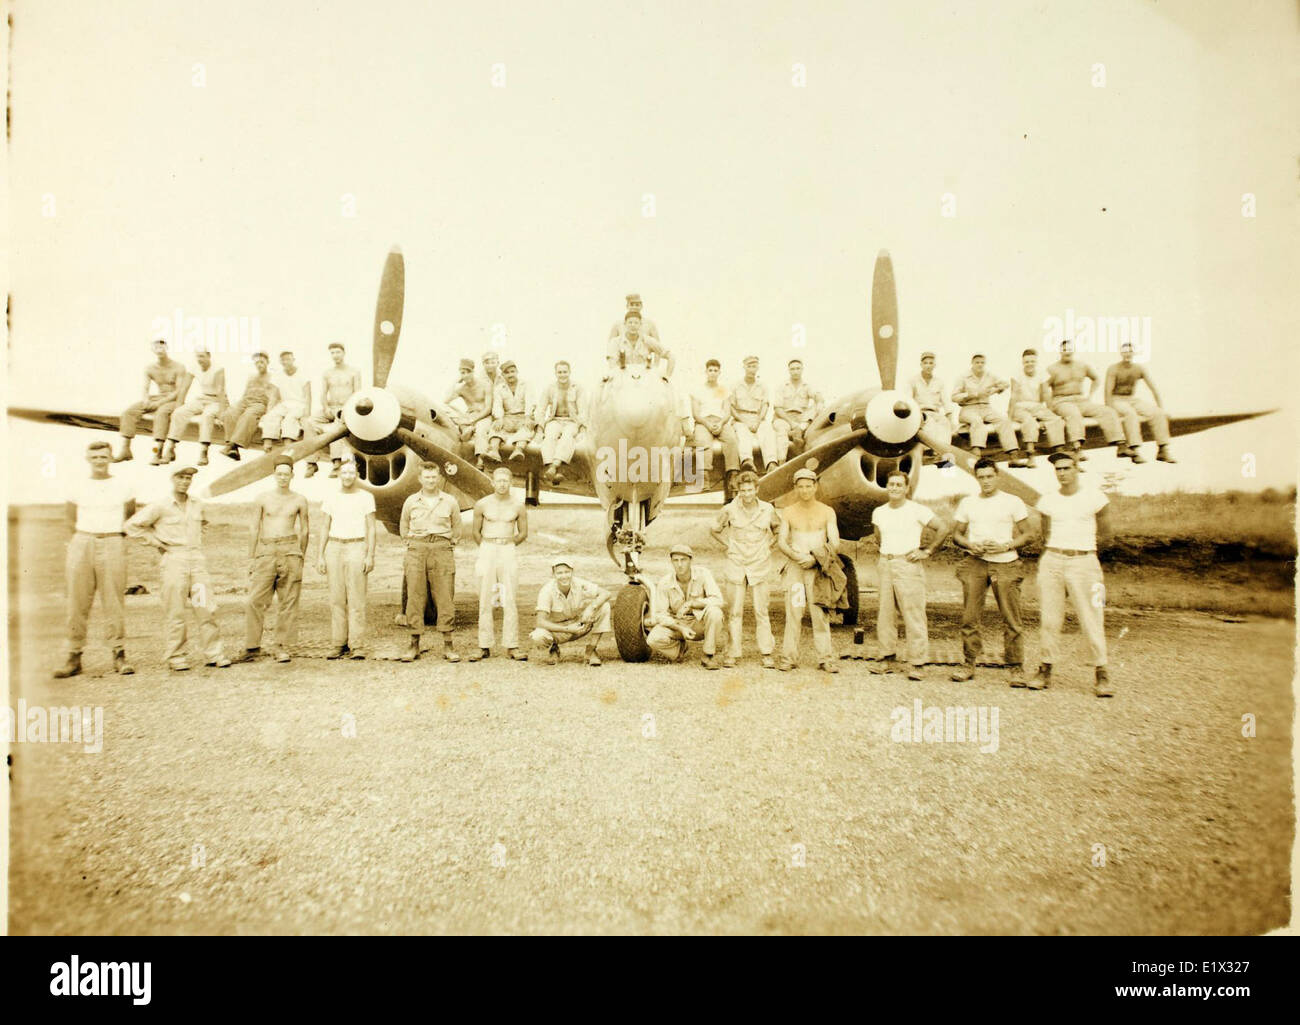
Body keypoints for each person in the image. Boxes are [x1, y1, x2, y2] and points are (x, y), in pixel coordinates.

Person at [126, 466, 231, 670]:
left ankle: (214, 653)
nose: (185, 481)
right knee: (175, 610)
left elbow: (202, 526)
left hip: (196, 561)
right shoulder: (161, 505)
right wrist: (157, 543)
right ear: (172, 479)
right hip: (174, 560)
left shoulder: (197, 504)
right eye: (181, 477)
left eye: (188, 478)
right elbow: (132, 526)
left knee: (205, 608)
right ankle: (176, 656)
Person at [52, 440, 138, 678]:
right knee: (77, 602)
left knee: (113, 600)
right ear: (88, 459)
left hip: (113, 540)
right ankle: (73, 655)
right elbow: (70, 518)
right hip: (82, 541)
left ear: (111, 458)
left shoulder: (124, 485)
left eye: (104, 457)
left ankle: (118, 654)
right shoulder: (76, 484)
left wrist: (115, 535)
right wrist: (80, 541)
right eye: (95, 457)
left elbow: (130, 514)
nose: (99, 461)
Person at [1030, 451, 1113, 697]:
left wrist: (1086, 555)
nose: (1063, 473)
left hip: (1084, 560)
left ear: (1077, 468)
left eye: (1067, 468)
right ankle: (1045, 668)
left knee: (1091, 617)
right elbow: (1045, 533)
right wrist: (1056, 553)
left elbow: (1107, 535)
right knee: (1049, 619)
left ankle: (1102, 673)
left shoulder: (1095, 497)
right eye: (1059, 469)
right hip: (1053, 560)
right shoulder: (1048, 501)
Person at [950, 459, 1034, 685]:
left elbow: (1028, 533)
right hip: (976, 562)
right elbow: (956, 535)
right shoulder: (968, 503)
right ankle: (969, 663)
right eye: (981, 477)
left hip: (1005, 562)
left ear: (998, 476)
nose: (986, 481)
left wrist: (1007, 545)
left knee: (1011, 617)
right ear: (976, 478)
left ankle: (1016, 667)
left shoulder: (1012, 501)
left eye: (989, 476)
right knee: (969, 617)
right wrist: (970, 545)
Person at [869, 470, 946, 681]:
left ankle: (918, 663)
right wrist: (887, 555)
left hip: (908, 564)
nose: (894, 488)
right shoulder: (879, 512)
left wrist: (927, 551)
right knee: (885, 614)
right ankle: (887, 657)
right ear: (887, 487)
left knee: (913, 614)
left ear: (906, 488)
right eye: (891, 484)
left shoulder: (917, 510)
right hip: (885, 562)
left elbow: (942, 528)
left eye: (898, 485)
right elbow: (878, 537)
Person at [710, 469, 780, 669]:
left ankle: (767, 653)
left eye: (750, 490)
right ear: (737, 491)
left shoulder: (767, 510)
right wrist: (727, 546)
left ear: (757, 489)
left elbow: (778, 528)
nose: (747, 494)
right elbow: (714, 529)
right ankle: (732, 653)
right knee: (734, 612)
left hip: (759, 565)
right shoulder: (729, 510)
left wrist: (769, 545)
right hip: (736, 564)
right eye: (743, 490)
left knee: (761, 611)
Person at [243, 455, 309, 663]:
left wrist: (301, 555)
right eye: (279, 474)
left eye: (286, 474)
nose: (282, 478)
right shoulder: (262, 498)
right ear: (274, 475)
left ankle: (281, 646)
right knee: (254, 600)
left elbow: (305, 530)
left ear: (292, 475)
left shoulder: (299, 499)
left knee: (288, 601)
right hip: (267, 550)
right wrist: (251, 557)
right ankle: (252, 646)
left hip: (290, 550)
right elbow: (254, 527)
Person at [775, 467, 841, 672]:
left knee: (819, 615)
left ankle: (826, 658)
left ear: (815, 486)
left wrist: (814, 558)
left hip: (817, 570)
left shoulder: (827, 511)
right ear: (795, 488)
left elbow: (835, 542)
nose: (805, 490)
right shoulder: (789, 511)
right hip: (795, 570)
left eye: (808, 486)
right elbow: (782, 542)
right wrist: (798, 557)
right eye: (801, 486)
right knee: (794, 613)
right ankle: (789, 657)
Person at [398, 462, 461, 663]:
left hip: (442, 549)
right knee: (415, 596)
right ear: (420, 479)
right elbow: (403, 526)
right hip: (417, 549)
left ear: (439, 478)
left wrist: (445, 543)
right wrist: (413, 542)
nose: (431, 480)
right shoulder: (411, 501)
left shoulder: (450, 501)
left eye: (434, 477)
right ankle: (414, 644)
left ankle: (448, 645)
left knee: (445, 597)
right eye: (427, 477)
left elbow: (457, 529)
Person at [318, 461, 376, 659]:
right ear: (339, 474)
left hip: (356, 546)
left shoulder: (366, 497)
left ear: (357, 474)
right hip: (334, 547)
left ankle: (357, 645)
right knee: (336, 598)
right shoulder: (331, 497)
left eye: (351, 472)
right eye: (344, 472)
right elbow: (325, 526)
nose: (348, 476)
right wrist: (320, 554)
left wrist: (370, 554)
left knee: (357, 599)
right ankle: (338, 643)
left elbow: (371, 528)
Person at [471, 466, 529, 662]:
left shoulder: (518, 505)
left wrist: (508, 544)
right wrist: (488, 545)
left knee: (509, 597)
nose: (502, 484)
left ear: (510, 482)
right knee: (486, 597)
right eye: (499, 480)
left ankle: (512, 645)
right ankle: (484, 646)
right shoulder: (482, 504)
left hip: (507, 550)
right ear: (493, 482)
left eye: (506, 481)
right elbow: (476, 532)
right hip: (487, 548)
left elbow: (522, 533)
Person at [1046, 339, 1133, 462]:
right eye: (1064, 349)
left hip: (1081, 400)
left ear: (1074, 350)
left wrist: (1089, 394)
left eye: (1070, 349)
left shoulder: (1082, 366)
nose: (1067, 352)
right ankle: (1077, 449)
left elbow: (1096, 379)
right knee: (1073, 413)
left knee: (1107, 411)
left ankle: (1121, 445)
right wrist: (1049, 408)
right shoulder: (1052, 369)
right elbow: (1044, 387)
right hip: (1062, 401)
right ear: (1060, 351)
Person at [647, 544, 726, 669]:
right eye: (675, 560)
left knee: (715, 613)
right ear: (671, 562)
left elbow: (718, 600)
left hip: (699, 622)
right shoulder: (665, 582)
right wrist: (680, 628)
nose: (679, 564)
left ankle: (708, 655)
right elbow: (660, 614)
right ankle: (679, 650)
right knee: (653, 639)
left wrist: (693, 603)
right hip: (678, 624)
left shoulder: (703, 574)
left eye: (683, 560)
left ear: (691, 560)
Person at [530, 558, 611, 666]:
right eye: (559, 573)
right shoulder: (547, 591)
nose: (564, 576)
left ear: (572, 572)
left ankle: (591, 650)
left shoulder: (579, 583)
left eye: (567, 572)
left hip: (579, 624)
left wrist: (591, 607)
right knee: (538, 636)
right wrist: (567, 629)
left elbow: (606, 593)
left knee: (604, 606)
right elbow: (540, 622)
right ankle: (553, 648)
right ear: (553, 574)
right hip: (558, 630)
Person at [115, 339, 186, 463]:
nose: (159, 350)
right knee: (129, 412)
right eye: (156, 347)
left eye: (162, 347)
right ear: (152, 350)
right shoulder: (150, 368)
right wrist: (146, 400)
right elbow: (145, 387)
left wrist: (159, 403)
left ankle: (157, 452)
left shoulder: (178, 367)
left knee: (161, 413)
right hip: (158, 397)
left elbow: (179, 391)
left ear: (167, 348)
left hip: (174, 400)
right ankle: (125, 449)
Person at [1105, 342, 1175, 463]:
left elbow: (1153, 388)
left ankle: (1163, 449)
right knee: (1130, 414)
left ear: (1133, 353)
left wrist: (1161, 407)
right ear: (1121, 353)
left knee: (1157, 413)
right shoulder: (1113, 368)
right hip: (1117, 399)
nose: (1127, 354)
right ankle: (1134, 450)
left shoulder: (1139, 368)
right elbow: (1107, 392)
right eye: (1125, 351)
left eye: (1130, 351)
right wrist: (1110, 410)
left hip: (1131, 399)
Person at [952, 354, 1027, 465]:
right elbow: (954, 397)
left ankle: (1013, 456)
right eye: (977, 362)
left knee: (1003, 420)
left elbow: (1005, 384)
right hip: (968, 408)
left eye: (982, 362)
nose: (980, 365)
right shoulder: (963, 377)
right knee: (977, 421)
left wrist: (995, 390)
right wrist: (973, 394)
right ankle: (976, 454)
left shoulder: (989, 375)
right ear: (972, 363)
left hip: (986, 407)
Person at [160, 348, 227, 466]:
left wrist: (222, 411)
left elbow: (220, 390)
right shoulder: (194, 367)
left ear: (208, 356)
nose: (199, 359)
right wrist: (179, 405)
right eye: (197, 356)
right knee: (178, 413)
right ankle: (170, 449)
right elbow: (185, 387)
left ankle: (203, 452)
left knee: (207, 416)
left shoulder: (218, 369)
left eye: (202, 356)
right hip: (202, 398)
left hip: (217, 400)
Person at [307, 343, 362, 478]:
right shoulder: (327, 373)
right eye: (332, 353)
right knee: (309, 422)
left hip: (347, 409)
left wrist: (346, 409)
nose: (335, 355)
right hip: (331, 407)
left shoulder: (354, 372)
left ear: (343, 353)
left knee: (335, 428)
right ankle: (311, 462)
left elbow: (357, 394)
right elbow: (323, 393)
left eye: (337, 352)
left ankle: (336, 463)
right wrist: (325, 407)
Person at [1008, 348, 1066, 463]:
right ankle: (1030, 454)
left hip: (1036, 406)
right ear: (1023, 363)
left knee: (1055, 420)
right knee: (1029, 422)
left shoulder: (1041, 374)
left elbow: (1045, 393)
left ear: (1036, 362)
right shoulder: (1017, 374)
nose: (1029, 364)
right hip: (1020, 407)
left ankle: (1059, 450)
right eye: (1026, 362)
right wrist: (1009, 417)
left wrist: (1050, 412)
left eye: (1032, 361)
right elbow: (1013, 395)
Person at [691, 359, 740, 487]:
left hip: (720, 422)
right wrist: (707, 424)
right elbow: (696, 413)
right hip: (703, 422)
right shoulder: (698, 390)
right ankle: (704, 477)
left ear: (719, 372)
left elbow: (727, 412)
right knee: (702, 442)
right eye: (710, 370)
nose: (712, 373)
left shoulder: (723, 390)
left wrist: (721, 423)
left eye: (715, 371)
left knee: (731, 440)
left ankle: (733, 475)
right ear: (706, 372)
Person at [536, 360, 586, 484]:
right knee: (549, 436)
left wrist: (583, 428)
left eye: (565, 372)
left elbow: (583, 409)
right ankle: (554, 469)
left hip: (572, 421)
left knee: (567, 437)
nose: (562, 375)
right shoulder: (550, 388)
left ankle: (552, 467)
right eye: (559, 372)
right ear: (555, 373)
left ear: (569, 372)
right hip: (555, 420)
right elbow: (540, 409)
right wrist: (539, 428)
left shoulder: (577, 387)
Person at [728, 356, 779, 472]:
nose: (751, 369)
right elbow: (731, 407)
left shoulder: (762, 386)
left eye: (754, 366)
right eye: (749, 366)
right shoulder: (735, 385)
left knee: (768, 431)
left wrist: (758, 421)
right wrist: (744, 421)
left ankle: (771, 463)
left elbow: (765, 405)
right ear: (744, 367)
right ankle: (747, 462)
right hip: (740, 418)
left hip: (758, 418)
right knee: (742, 433)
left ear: (758, 368)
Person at [221, 352, 276, 461]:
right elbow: (245, 393)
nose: (259, 365)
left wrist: (269, 413)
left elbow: (273, 397)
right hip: (246, 401)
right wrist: (238, 405)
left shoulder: (272, 377)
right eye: (257, 363)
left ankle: (231, 446)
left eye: (262, 362)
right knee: (229, 413)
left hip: (260, 403)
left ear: (267, 362)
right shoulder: (251, 377)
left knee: (248, 416)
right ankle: (233, 448)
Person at [259, 350, 311, 454]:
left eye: (288, 359)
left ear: (293, 360)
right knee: (271, 416)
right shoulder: (278, 375)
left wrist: (307, 413)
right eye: (283, 360)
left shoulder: (303, 374)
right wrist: (268, 412)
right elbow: (274, 396)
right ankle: (267, 447)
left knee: (289, 420)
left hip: (299, 405)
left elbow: (308, 396)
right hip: (285, 404)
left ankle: (288, 448)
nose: (285, 362)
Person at [772, 359, 824, 461]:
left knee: (819, 406)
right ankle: (781, 461)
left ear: (802, 370)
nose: (795, 371)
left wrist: (819, 403)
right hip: (784, 418)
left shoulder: (807, 386)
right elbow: (778, 408)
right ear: (789, 371)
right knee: (781, 430)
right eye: (792, 369)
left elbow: (818, 396)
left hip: (801, 418)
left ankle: (798, 431)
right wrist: (792, 423)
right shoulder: (782, 386)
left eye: (798, 368)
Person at [485, 360, 534, 466]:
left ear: (517, 372)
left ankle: (518, 450)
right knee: (495, 428)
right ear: (502, 375)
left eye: (512, 371)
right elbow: (497, 405)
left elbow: (530, 402)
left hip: (523, 416)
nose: (510, 375)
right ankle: (494, 451)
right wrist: (499, 418)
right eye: (507, 373)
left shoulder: (525, 385)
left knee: (526, 429)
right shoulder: (499, 388)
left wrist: (528, 416)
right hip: (507, 417)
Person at [445, 357, 493, 456]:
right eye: (463, 373)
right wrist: (454, 382)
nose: (466, 375)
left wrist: (472, 421)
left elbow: (488, 409)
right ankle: (466, 429)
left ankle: (481, 458)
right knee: (444, 408)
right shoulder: (462, 389)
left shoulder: (485, 385)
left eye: (468, 372)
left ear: (473, 372)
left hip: (484, 416)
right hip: (469, 415)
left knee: (481, 430)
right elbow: (446, 401)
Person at [471, 351, 504, 463]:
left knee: (499, 429)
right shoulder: (478, 380)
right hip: (485, 412)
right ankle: (481, 459)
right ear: (483, 364)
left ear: (497, 362)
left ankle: (494, 453)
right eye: (487, 363)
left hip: (501, 412)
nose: (490, 365)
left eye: (492, 362)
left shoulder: (504, 376)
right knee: (481, 428)